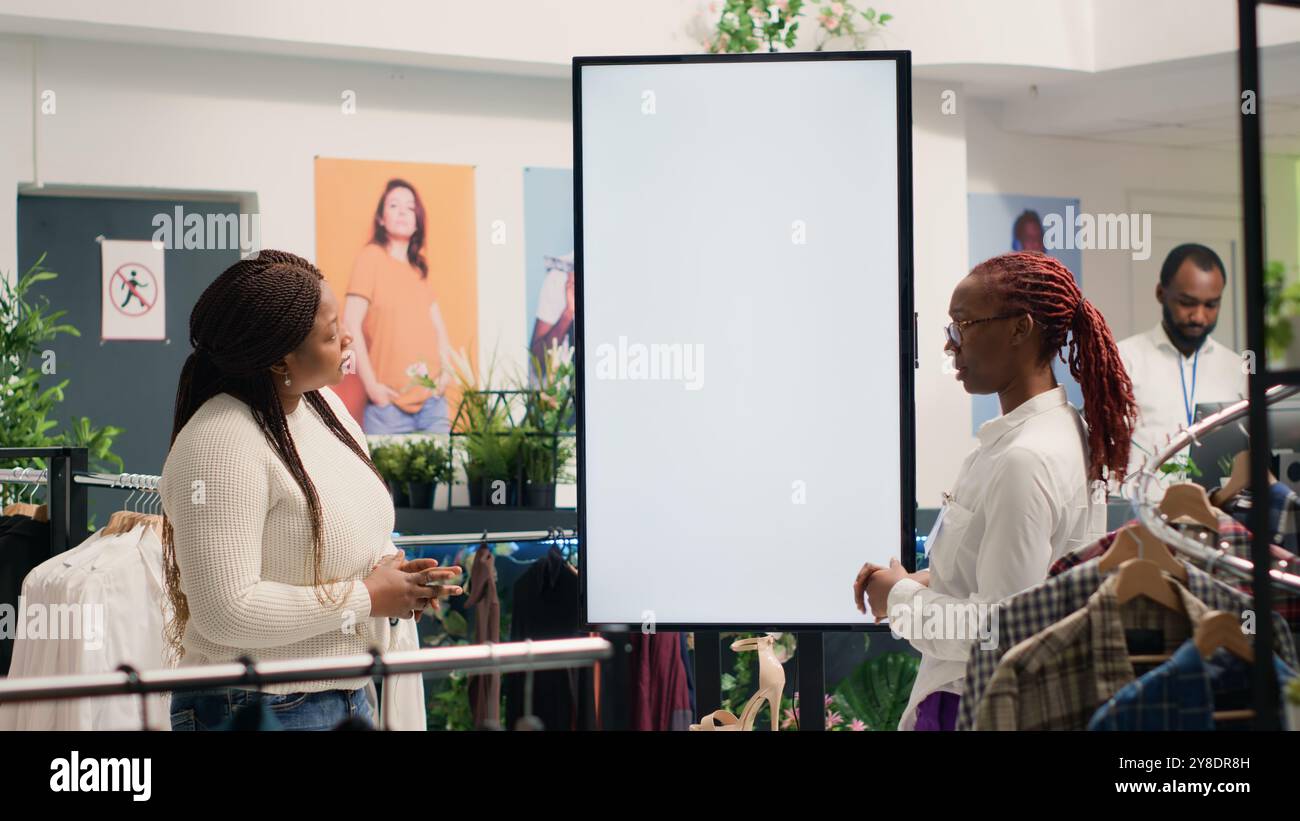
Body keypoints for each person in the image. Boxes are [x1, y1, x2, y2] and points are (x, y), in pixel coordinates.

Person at [159, 250, 464, 731]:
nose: (348, 337)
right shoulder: (219, 441)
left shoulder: (325, 410)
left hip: (343, 695)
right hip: (252, 706)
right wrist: (366, 597)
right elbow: (225, 611)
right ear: (281, 358)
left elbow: (356, 526)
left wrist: (397, 577)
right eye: (330, 333)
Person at [852, 251, 1137, 731]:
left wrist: (897, 599)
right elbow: (1034, 586)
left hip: (973, 704)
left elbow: (1000, 632)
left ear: (1020, 328)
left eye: (962, 326)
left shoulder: (1024, 459)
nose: (950, 346)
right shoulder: (1061, 432)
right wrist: (926, 581)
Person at [1116, 243, 1245, 474]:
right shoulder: (1123, 360)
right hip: (1139, 507)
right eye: (1187, 303)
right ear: (1160, 293)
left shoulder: (1236, 369)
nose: (1198, 316)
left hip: (1215, 507)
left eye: (1211, 305)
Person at [343, 178, 455, 435]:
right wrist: (373, 389)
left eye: (409, 206)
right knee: (387, 477)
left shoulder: (419, 269)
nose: (403, 211)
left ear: (418, 220)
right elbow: (350, 324)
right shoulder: (370, 258)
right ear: (381, 219)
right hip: (388, 408)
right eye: (394, 205)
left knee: (444, 475)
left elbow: (438, 329)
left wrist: (444, 375)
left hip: (433, 403)